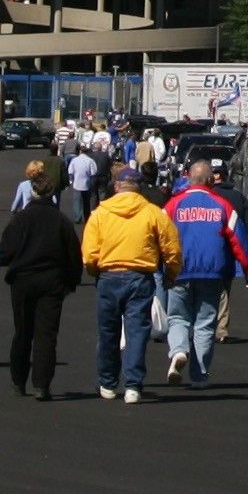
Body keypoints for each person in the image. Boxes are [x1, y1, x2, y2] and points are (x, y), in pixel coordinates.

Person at [79, 167, 182, 404]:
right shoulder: (153, 213)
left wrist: (95, 271)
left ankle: (107, 382)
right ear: (139, 188)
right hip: (140, 276)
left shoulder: (101, 213)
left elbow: (90, 253)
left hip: (109, 275)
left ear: (117, 186)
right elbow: (172, 247)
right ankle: (133, 385)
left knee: (108, 330)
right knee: (137, 332)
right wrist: (171, 273)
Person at [160, 161, 248, 388]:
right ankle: (199, 375)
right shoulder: (222, 205)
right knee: (205, 323)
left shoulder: (173, 205)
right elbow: (239, 240)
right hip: (212, 272)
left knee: (178, 317)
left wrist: (158, 266)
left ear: (188, 179)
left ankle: (179, 350)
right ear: (211, 180)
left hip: (179, 270)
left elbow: (158, 235)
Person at [0, 178, 82, 399]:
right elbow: (74, 255)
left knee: (22, 332)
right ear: (52, 193)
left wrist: (1, 259)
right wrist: (71, 282)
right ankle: (41, 384)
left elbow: (5, 252)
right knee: (46, 334)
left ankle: (18, 381)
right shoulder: (61, 221)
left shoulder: (21, 219)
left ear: (32, 192)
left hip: (23, 280)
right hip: (52, 281)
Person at [63, 140, 101, 225]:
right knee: (86, 201)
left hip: (77, 183)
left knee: (77, 201)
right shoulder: (90, 160)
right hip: (87, 183)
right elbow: (93, 172)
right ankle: (86, 216)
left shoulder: (75, 160)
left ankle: (78, 217)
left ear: (80, 151)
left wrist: (72, 179)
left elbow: (70, 172)